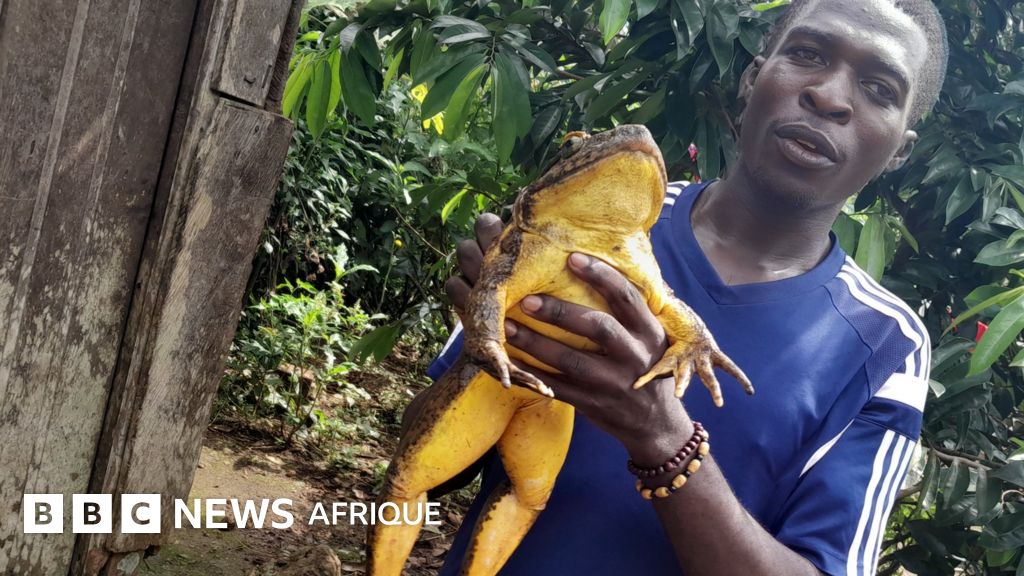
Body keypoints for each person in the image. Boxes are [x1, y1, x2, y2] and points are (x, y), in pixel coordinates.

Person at [407, 0, 949, 573]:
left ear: (901, 151)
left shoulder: (886, 343)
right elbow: (429, 469)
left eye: (879, 88)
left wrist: (662, 436)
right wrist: (485, 341)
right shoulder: (587, 213)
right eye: (808, 54)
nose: (830, 97)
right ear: (751, 77)